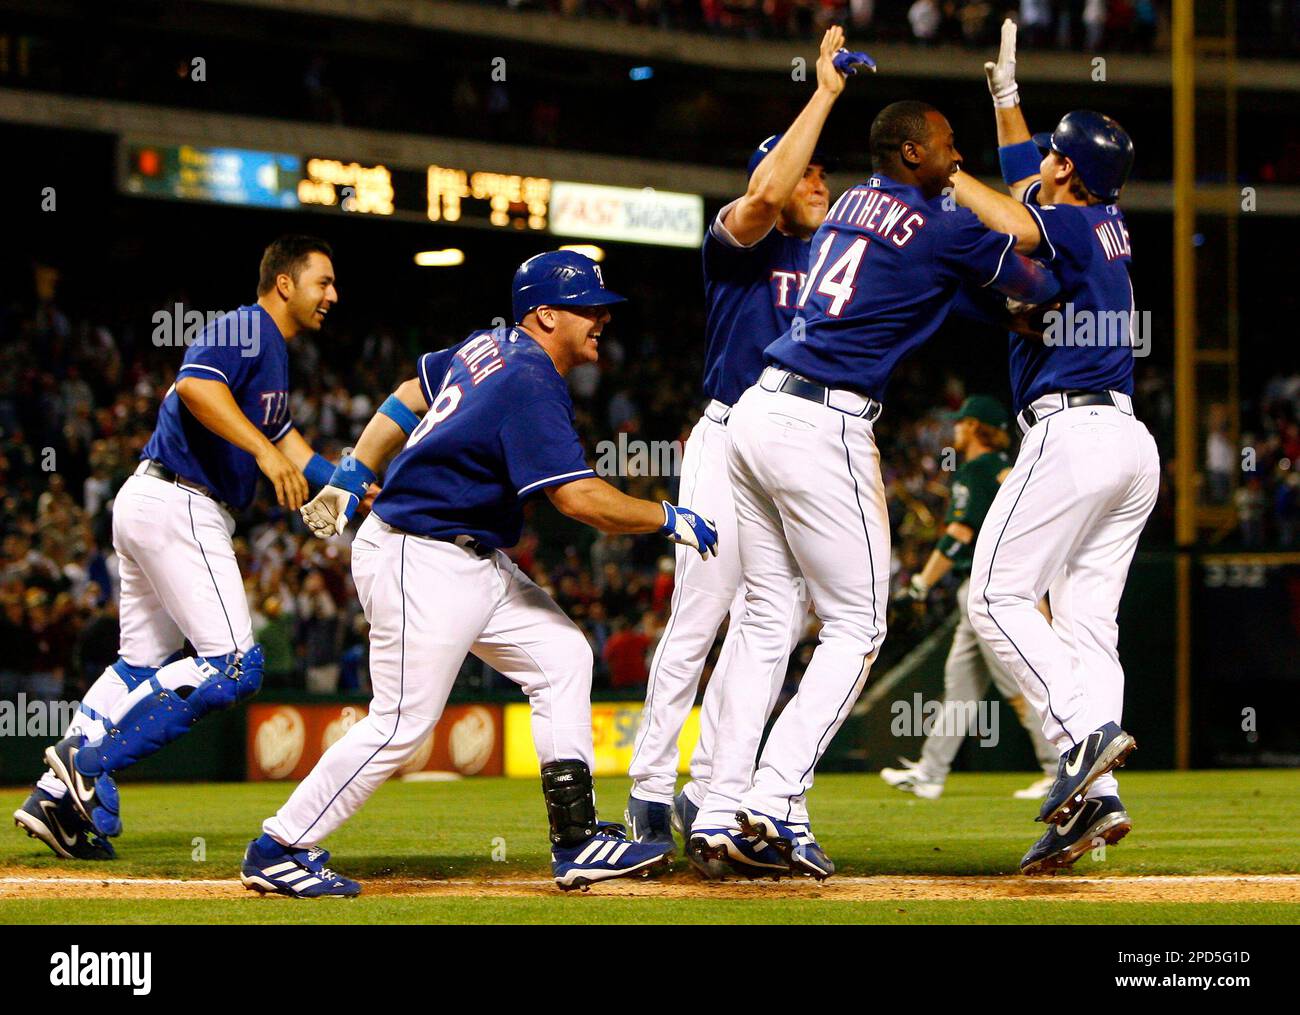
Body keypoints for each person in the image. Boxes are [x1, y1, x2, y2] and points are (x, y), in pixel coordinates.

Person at [239, 251, 720, 896]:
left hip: (467, 557)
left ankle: (576, 842)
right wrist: (667, 517)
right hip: (420, 553)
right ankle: (280, 846)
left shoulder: (491, 345)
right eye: (588, 307)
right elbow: (576, 500)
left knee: (562, 658)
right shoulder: (529, 375)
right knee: (403, 721)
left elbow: (410, 393)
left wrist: (357, 467)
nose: (603, 318)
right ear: (545, 315)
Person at [690, 98, 1061, 881]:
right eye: (949, 147)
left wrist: (988, 300)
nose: (958, 157)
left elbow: (929, 282)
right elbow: (1034, 264)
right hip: (822, 421)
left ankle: (719, 807)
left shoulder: (854, 201)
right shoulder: (946, 220)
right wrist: (1018, 259)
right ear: (914, 151)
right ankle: (775, 797)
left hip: (757, 409)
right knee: (857, 626)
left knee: (764, 620)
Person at [624, 25, 874, 880]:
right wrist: (824, 96)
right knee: (701, 612)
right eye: (808, 169)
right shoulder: (742, 238)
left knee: (776, 618)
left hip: (792, 444)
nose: (819, 180)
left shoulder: (840, 257)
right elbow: (763, 195)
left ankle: (716, 792)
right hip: (728, 435)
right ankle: (650, 789)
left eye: (822, 171)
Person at [18, 236, 342, 861]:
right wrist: (264, 452)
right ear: (283, 283)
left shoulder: (272, 354)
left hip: (152, 499)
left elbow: (291, 444)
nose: (332, 294)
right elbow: (195, 386)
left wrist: (351, 481)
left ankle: (53, 799)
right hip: (183, 502)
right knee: (234, 666)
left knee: (139, 664)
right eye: (322, 281)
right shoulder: (248, 327)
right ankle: (87, 761)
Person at [952, 20, 1158, 873]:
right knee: (1084, 625)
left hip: (1069, 431)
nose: (1041, 159)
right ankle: (1096, 800)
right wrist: (1006, 101)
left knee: (995, 595)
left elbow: (1015, 214)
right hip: (1131, 446)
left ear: (1068, 170)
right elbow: (1028, 182)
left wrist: (943, 173)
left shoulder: (1065, 226)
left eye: (1053, 154)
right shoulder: (1102, 219)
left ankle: (1080, 737)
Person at [879, 395, 1057, 800]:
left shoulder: (974, 470)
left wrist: (921, 583)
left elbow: (960, 534)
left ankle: (1058, 768)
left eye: (962, 423)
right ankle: (930, 772)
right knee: (960, 689)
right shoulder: (1009, 472)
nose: (955, 429)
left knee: (1019, 686)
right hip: (1010, 586)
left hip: (988, 592)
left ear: (976, 427)